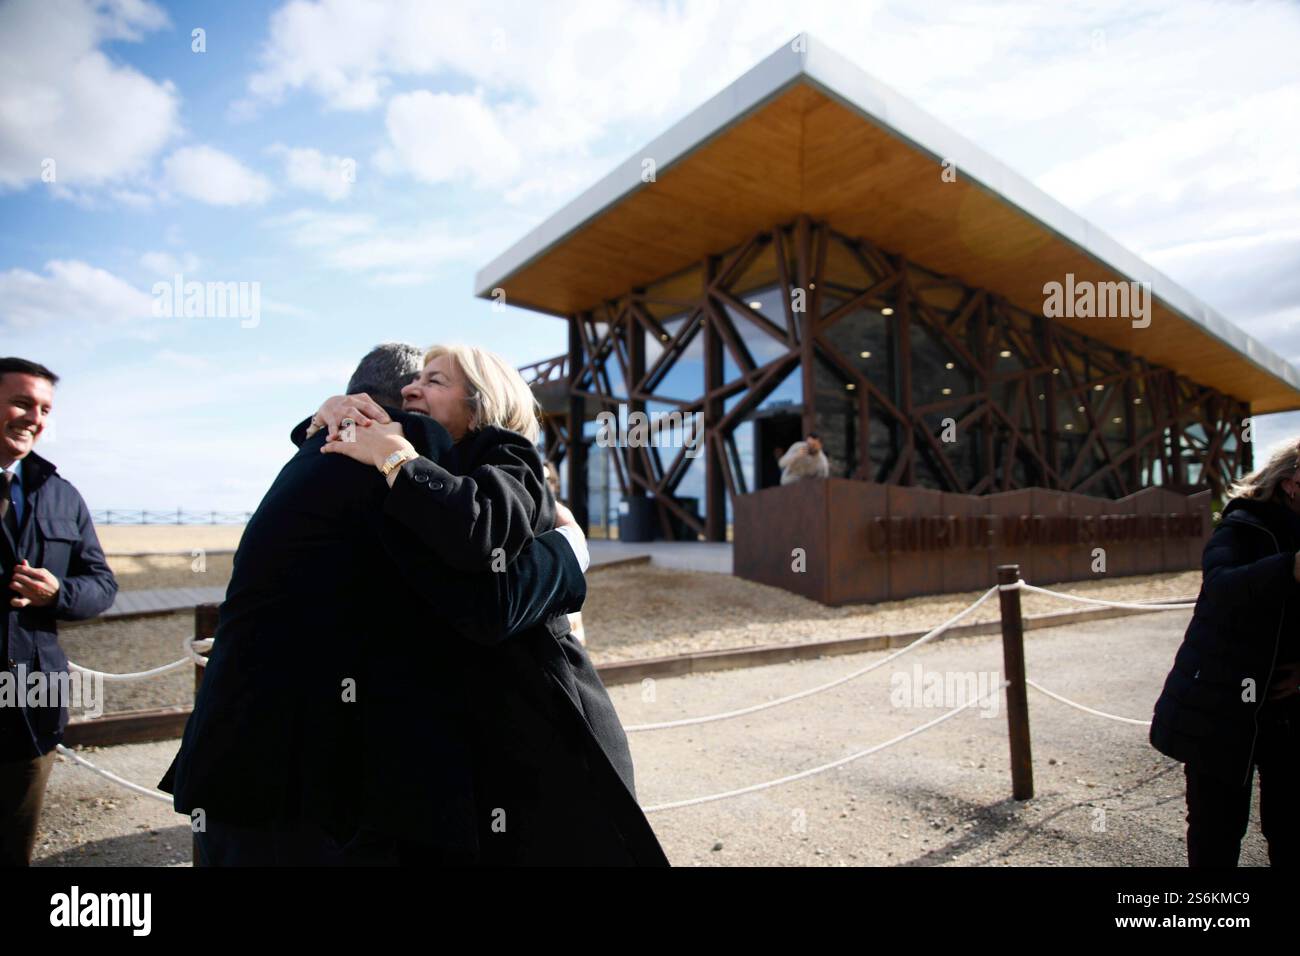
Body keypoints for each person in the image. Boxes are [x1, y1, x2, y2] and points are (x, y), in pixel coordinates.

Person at [159, 344, 594, 865]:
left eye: (436, 382)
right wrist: (569, 548)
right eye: (420, 382)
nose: (418, 394)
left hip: (234, 761)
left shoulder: (324, 451)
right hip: (313, 786)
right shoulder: (395, 453)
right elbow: (491, 602)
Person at [309, 343, 667, 864]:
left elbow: (480, 548)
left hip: (546, 727)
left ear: (478, 404)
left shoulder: (507, 455)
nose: (413, 388)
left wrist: (395, 457)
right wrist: (331, 412)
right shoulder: (428, 460)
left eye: (434, 381)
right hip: (475, 740)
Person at [1150, 437, 1300, 866]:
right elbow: (1220, 588)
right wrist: (1288, 568)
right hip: (1220, 707)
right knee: (1216, 834)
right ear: (1291, 483)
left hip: (1288, 712)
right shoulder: (1241, 525)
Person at [0, 357, 118, 866]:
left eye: (44, 408)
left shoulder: (61, 494)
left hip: (30, 710)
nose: (34, 417)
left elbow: (102, 585)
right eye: (22, 402)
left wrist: (58, 594)